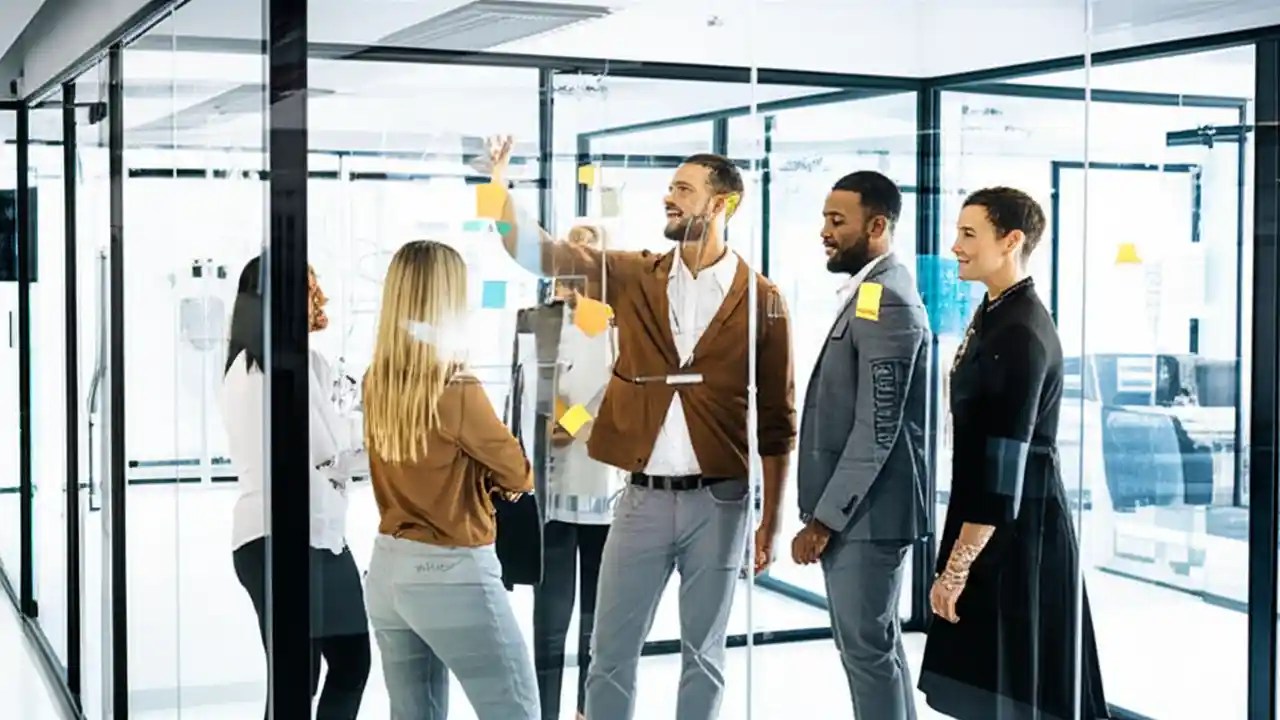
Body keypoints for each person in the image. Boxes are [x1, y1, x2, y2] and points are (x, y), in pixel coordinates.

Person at [488, 136, 796, 720]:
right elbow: (545, 256)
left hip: (722, 501)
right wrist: (495, 188)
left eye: (684, 189)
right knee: (609, 651)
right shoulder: (635, 275)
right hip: (640, 501)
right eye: (670, 188)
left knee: (703, 655)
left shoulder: (763, 299)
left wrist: (772, 522)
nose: (669, 198)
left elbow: (779, 424)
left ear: (723, 204)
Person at [918, 187, 1109, 719]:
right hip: (990, 519)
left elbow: (1005, 466)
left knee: (1014, 690)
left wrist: (956, 569)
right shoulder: (996, 310)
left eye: (969, 234)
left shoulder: (1021, 329)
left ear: (1012, 241)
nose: (955, 245)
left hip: (1014, 530)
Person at [361, 240, 539, 720]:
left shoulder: (377, 380)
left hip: (388, 572)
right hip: (452, 574)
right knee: (515, 708)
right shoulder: (458, 389)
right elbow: (520, 472)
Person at [791, 171, 930, 720]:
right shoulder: (870, 292)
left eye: (837, 221)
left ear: (877, 226)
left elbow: (878, 428)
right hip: (862, 515)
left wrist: (825, 520)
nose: (824, 231)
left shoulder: (886, 297)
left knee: (866, 653)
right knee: (877, 649)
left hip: (865, 517)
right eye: (825, 218)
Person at [221, 257, 371, 720]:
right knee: (342, 666)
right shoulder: (288, 363)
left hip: (272, 538)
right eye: (310, 286)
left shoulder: (245, 364)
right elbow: (331, 458)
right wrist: (391, 452)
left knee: (300, 675)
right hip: (298, 539)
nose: (319, 295)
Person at [536, 224, 627, 720]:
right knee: (551, 619)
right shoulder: (546, 321)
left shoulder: (607, 324)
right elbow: (532, 387)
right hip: (551, 491)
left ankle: (587, 710)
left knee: (596, 617)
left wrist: (566, 423)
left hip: (598, 486)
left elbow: (596, 389)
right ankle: (544, 710)